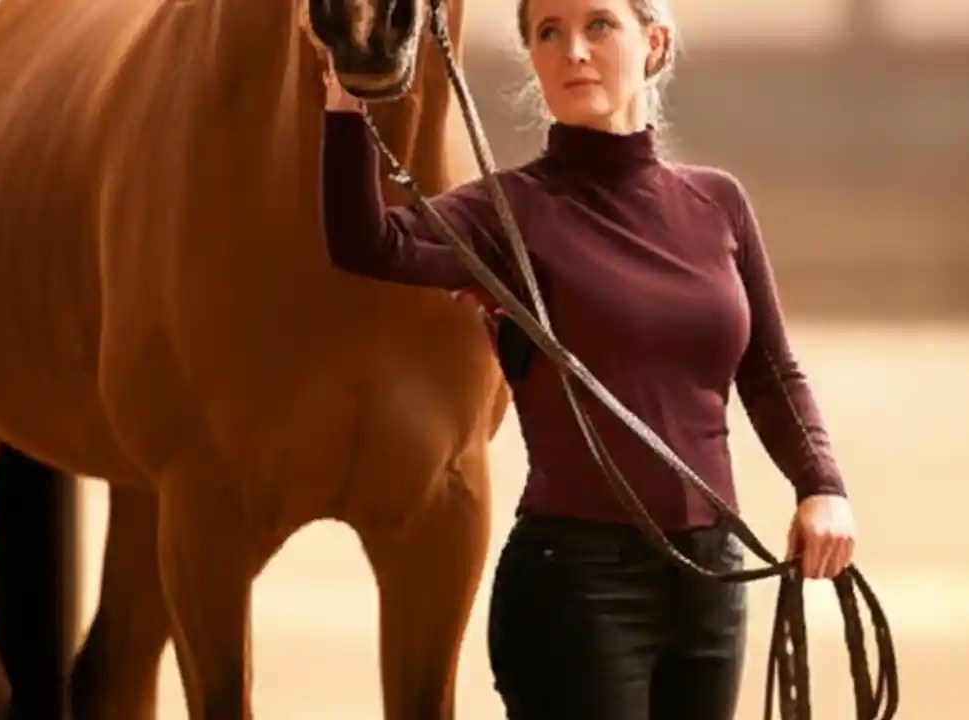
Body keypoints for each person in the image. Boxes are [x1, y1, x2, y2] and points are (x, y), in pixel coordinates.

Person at [317, 0, 859, 717]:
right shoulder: (508, 211)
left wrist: (821, 485)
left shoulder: (717, 203)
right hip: (575, 583)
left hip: (710, 580)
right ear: (534, 61)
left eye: (598, 25)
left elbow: (770, 369)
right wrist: (344, 95)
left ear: (654, 42)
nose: (573, 49)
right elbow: (367, 243)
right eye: (549, 33)